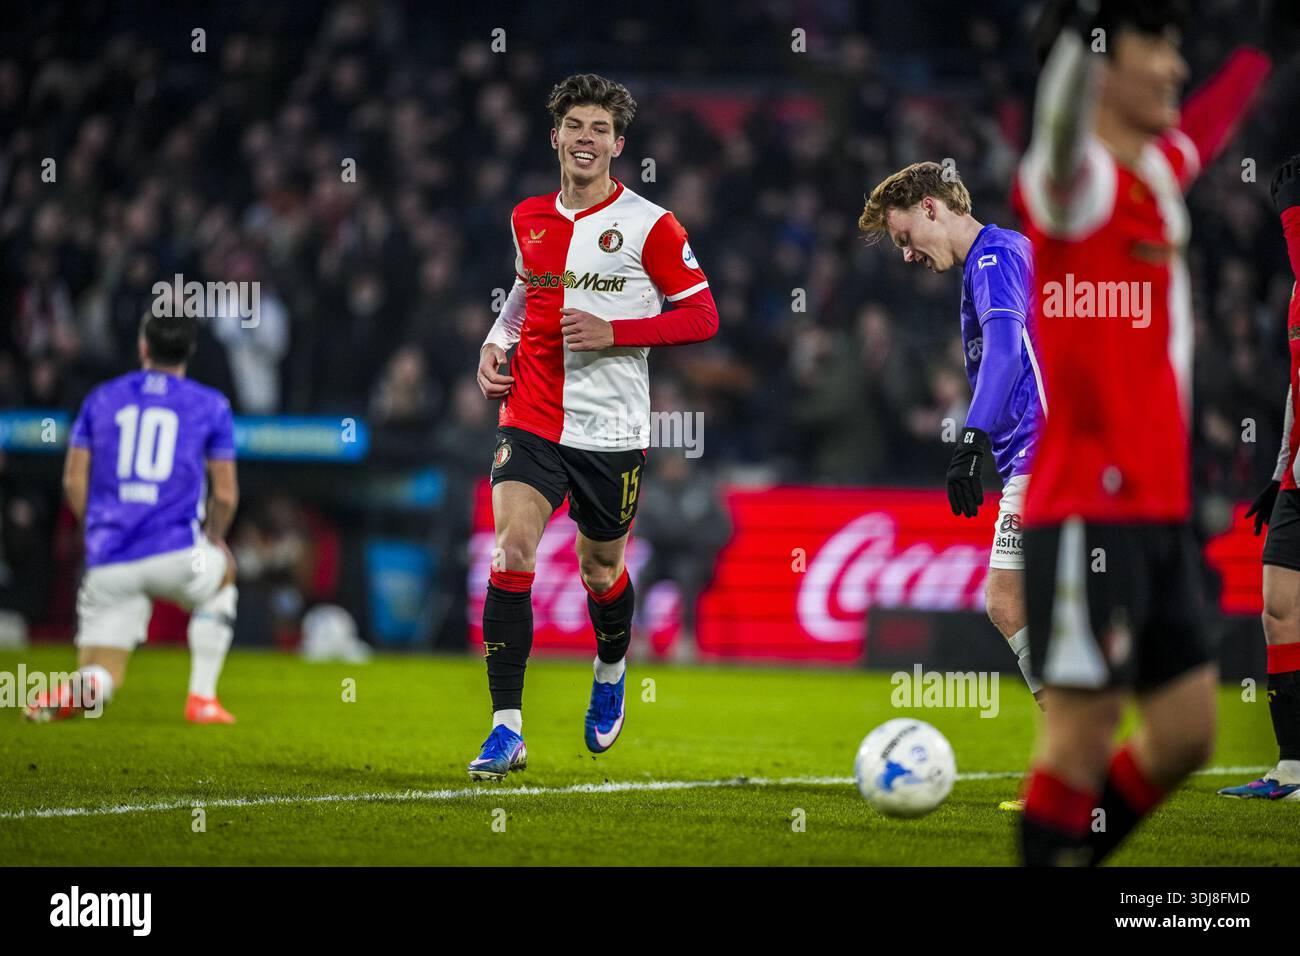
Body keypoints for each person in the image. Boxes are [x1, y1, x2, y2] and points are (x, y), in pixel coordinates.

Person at [1014, 0, 1281, 865]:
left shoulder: (1158, 169)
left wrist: (1259, 48)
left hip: (1160, 510)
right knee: (1080, 737)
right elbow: (1057, 124)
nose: (1173, 65)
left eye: (1174, 46)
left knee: (1186, 732)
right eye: (1153, 47)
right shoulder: (1070, 182)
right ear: (1097, 65)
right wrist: (1078, 32)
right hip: (1089, 506)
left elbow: (1205, 123)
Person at [469, 74, 718, 779]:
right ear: (555, 136)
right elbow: (525, 292)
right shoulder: (528, 217)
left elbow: (703, 316)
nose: (586, 138)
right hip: (534, 413)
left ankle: (611, 671)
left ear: (618, 143)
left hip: (611, 428)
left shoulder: (652, 224)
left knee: (600, 569)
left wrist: (617, 330)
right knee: (511, 551)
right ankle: (506, 730)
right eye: (574, 125)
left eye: (599, 129)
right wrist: (494, 340)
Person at [859, 161, 1045, 711]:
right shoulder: (996, 258)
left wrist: (971, 441)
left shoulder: (992, 255)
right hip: (1036, 456)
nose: (907, 254)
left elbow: (1008, 352)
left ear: (931, 207)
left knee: (1009, 602)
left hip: (1043, 454)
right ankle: (1079, 762)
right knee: (1031, 604)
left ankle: (1077, 763)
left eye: (904, 237)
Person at [25, 312, 240, 724]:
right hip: (178, 554)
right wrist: (213, 538)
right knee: (224, 576)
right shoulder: (211, 405)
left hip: (110, 558)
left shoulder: (100, 399)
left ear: (143, 347)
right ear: (189, 351)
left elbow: (72, 481)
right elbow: (226, 496)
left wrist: (102, 525)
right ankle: (202, 698)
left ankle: (83, 686)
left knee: (102, 674)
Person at [1220, 154, 1300, 801]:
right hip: (1299, 481)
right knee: (1277, 611)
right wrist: (1279, 474)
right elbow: (1297, 394)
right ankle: (1293, 769)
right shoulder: (1298, 294)